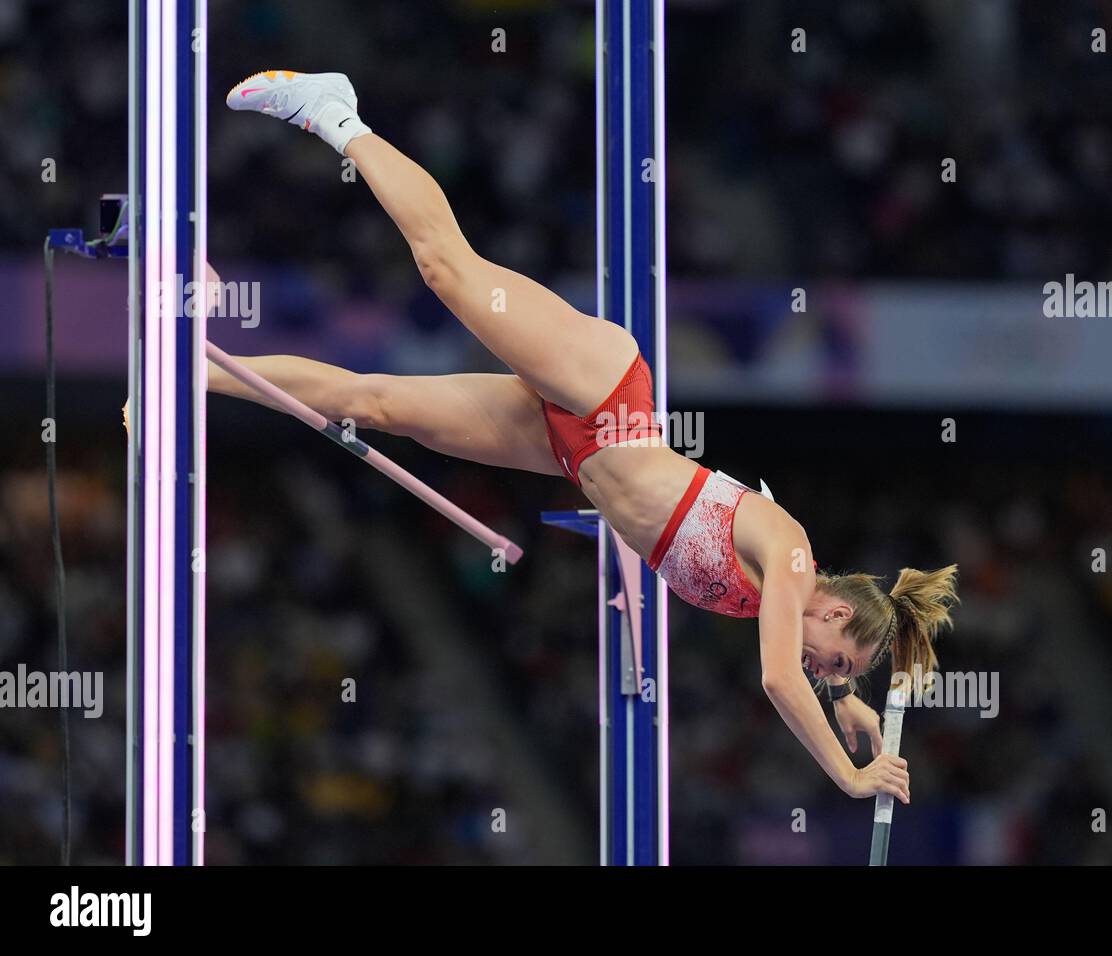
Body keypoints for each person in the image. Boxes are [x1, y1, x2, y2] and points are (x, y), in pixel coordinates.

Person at [215, 70, 961, 803]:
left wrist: (849, 705)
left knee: (372, 403)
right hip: (604, 394)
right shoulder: (792, 556)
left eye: (836, 673)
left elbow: (799, 652)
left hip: (567, 451)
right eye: (837, 663)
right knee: (448, 269)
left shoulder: (789, 590)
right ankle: (334, 112)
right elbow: (778, 676)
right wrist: (848, 773)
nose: (827, 671)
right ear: (833, 612)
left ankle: (193, 373)